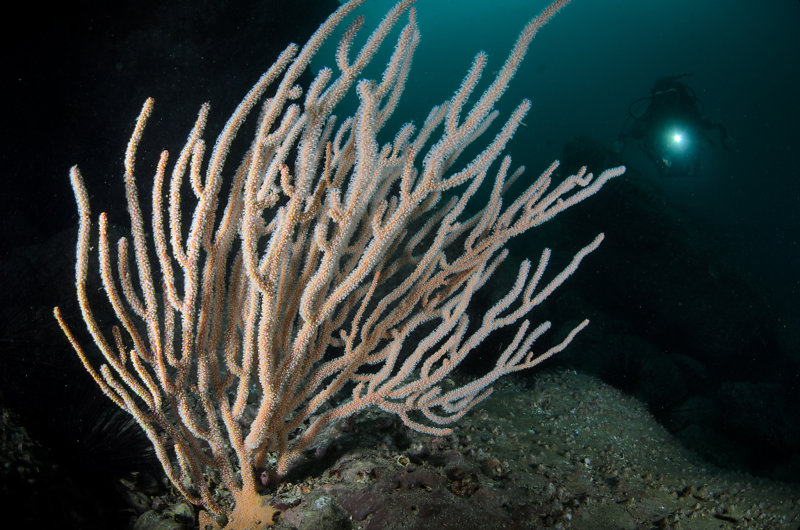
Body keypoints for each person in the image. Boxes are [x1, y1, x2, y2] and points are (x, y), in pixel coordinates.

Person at [619, 74, 727, 177]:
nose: (666, 101)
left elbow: (699, 121)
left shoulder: (686, 107)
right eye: (661, 97)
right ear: (656, 98)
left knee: (693, 142)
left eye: (670, 95)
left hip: (686, 139)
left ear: (677, 95)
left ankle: (687, 162)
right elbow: (637, 127)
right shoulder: (654, 110)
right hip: (660, 142)